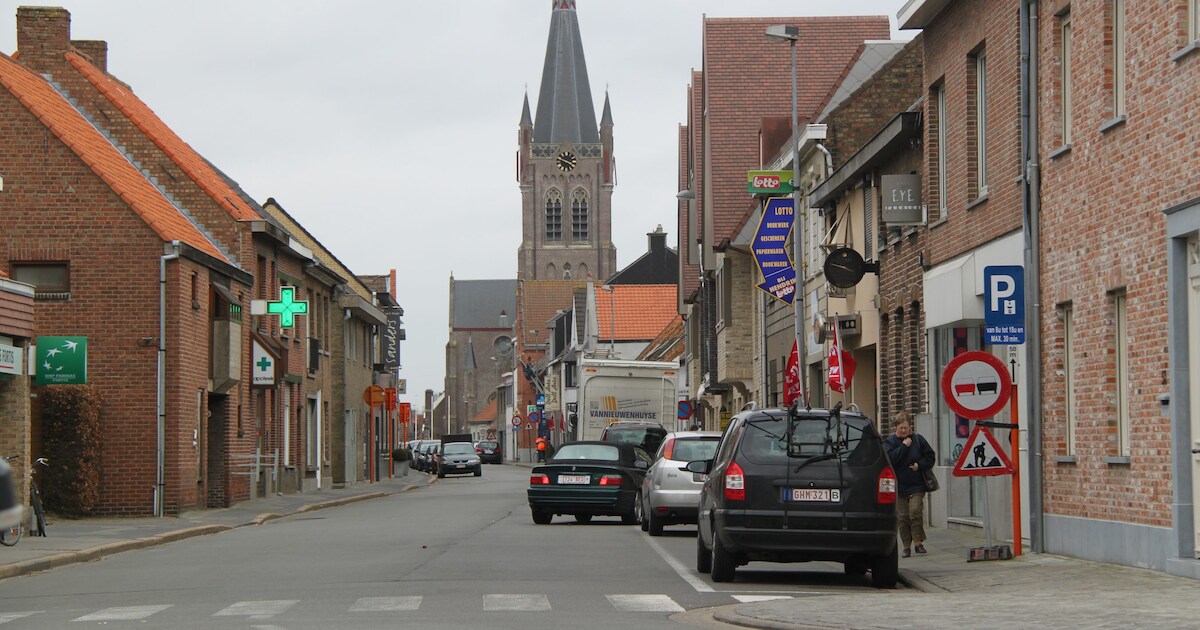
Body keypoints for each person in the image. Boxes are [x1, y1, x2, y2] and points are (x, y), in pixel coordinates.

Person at [883, 411, 935, 558]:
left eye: (906, 428)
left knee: (915, 513)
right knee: (903, 517)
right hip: (899, 486)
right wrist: (904, 447)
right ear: (896, 428)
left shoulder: (918, 440)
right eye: (901, 428)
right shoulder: (890, 442)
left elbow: (930, 457)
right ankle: (906, 546)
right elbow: (890, 459)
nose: (904, 431)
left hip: (916, 484)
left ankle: (918, 543)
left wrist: (919, 465)